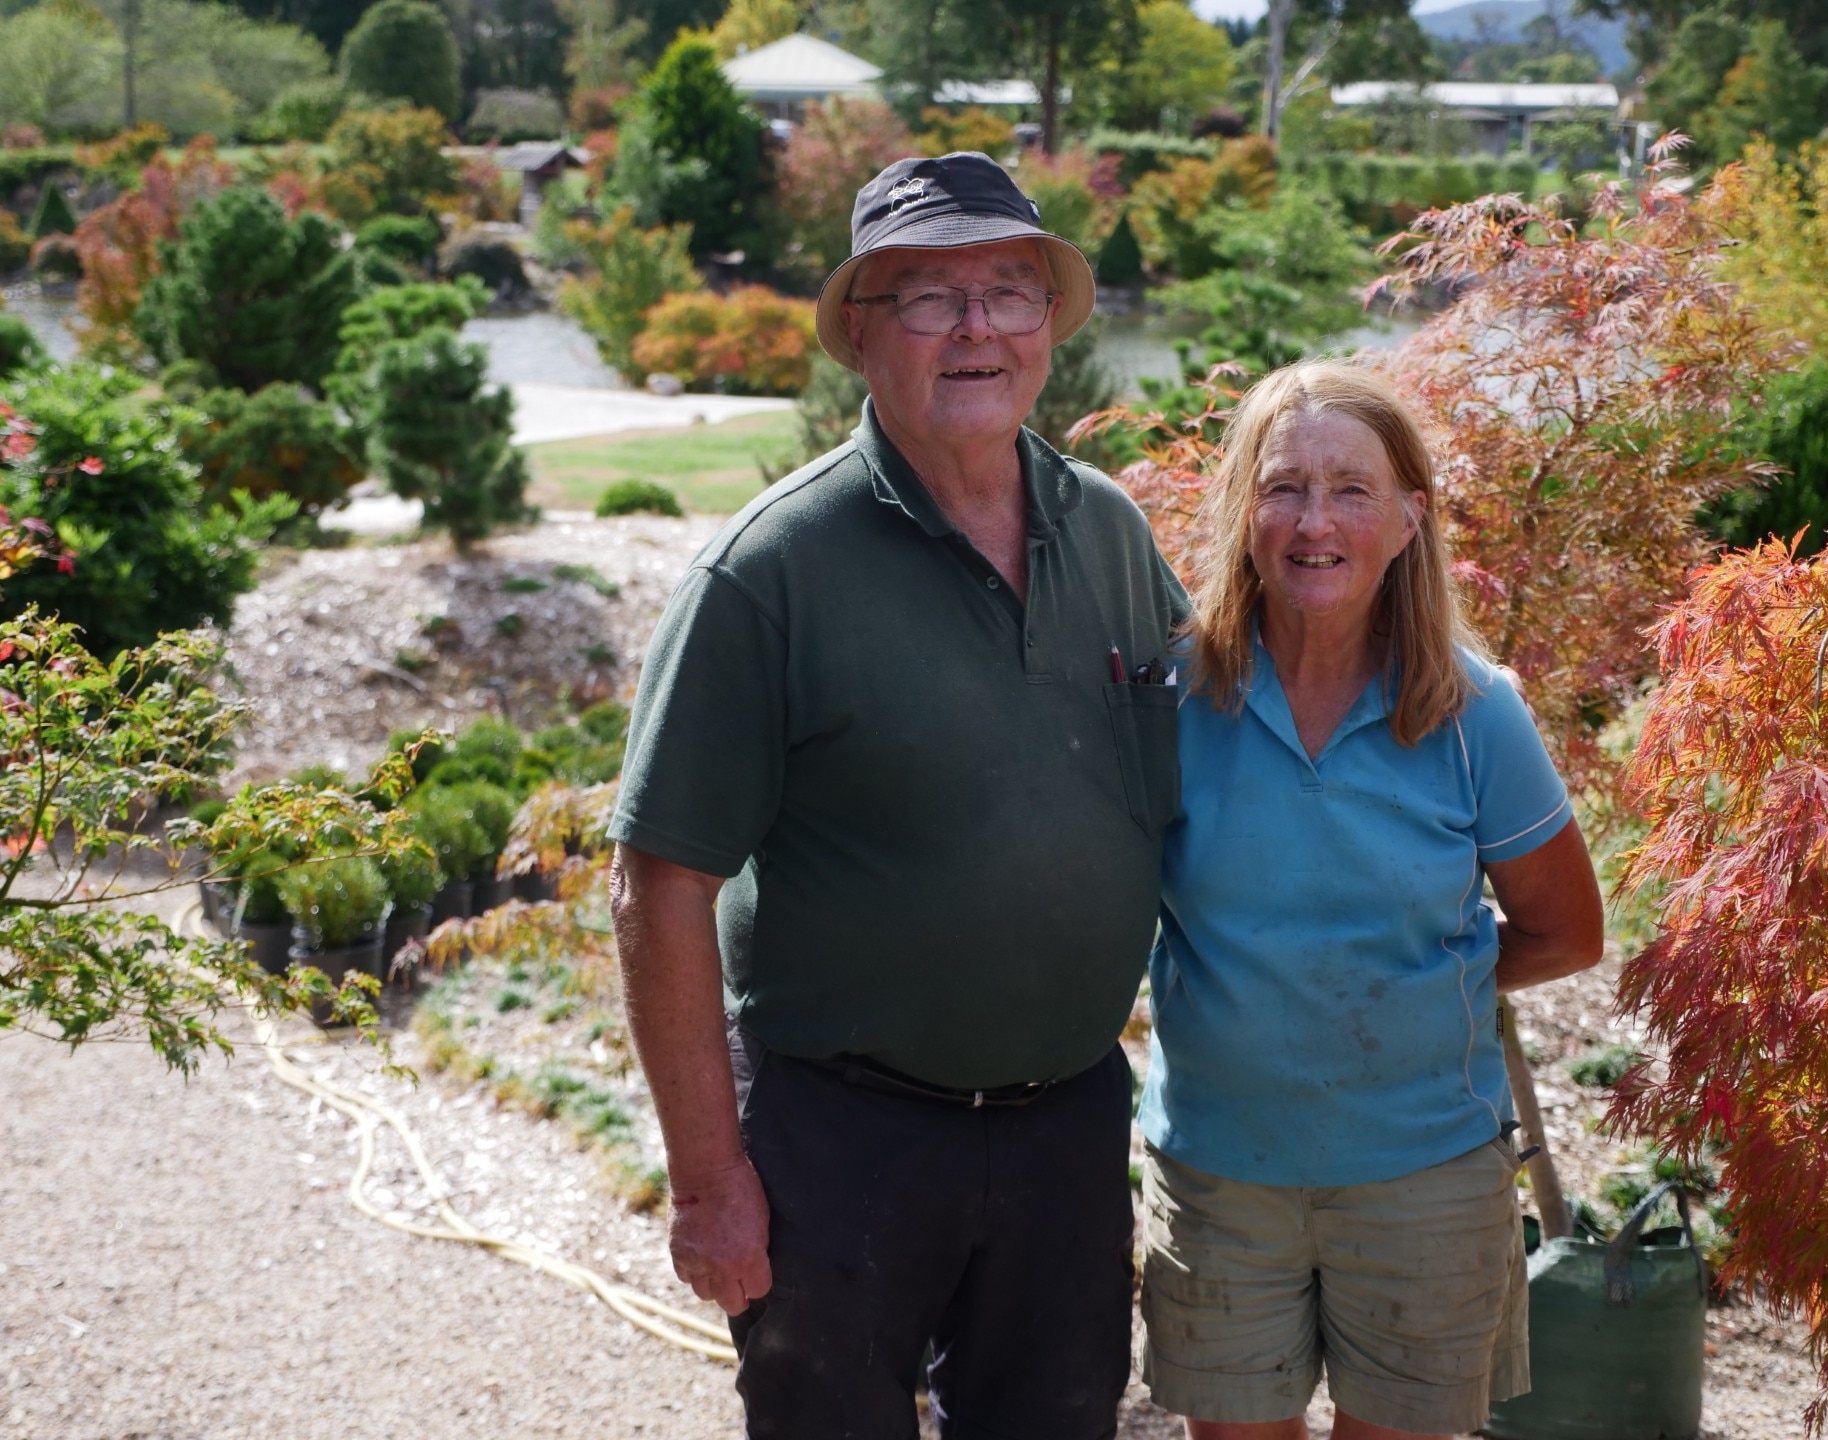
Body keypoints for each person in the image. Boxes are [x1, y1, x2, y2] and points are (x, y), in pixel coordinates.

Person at [605, 151, 1186, 1437]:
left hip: (1066, 1127)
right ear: (861, 336)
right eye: (929, 297)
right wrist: (708, 1182)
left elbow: (1208, 767)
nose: (977, 327)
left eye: (1010, 290)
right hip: (840, 1139)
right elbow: (659, 882)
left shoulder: (1110, 532)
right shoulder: (767, 575)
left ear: (1050, 324)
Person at [1135, 359, 1605, 1440]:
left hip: (1423, 1181)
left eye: (1352, 489)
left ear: (1409, 518)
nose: (1316, 519)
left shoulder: (1475, 713)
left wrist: (1422, 986)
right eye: (1284, 484)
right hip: (1219, 1174)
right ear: (1242, 510)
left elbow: (1566, 931)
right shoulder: (1172, 702)